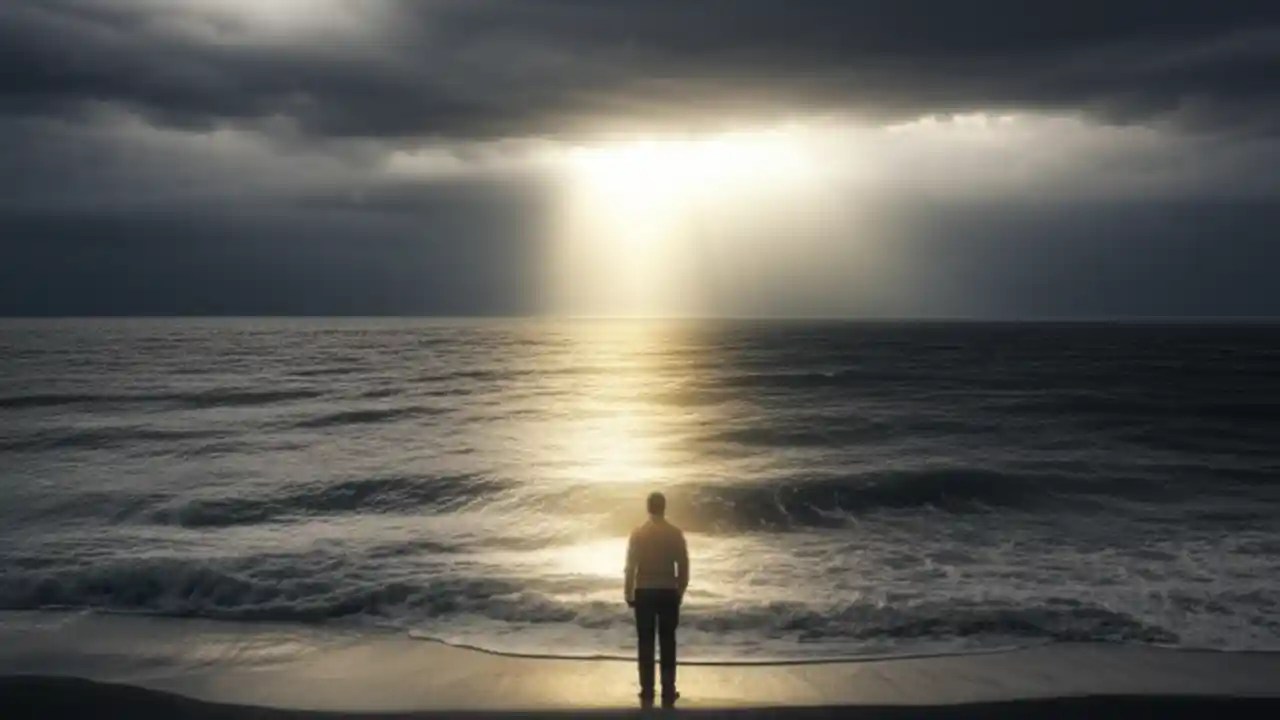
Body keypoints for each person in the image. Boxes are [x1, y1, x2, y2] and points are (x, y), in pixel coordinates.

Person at [624, 491, 689, 705]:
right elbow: (683, 565)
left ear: (648, 507)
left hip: (644, 590)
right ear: (664, 507)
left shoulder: (638, 533)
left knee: (645, 642)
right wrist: (680, 590)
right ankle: (668, 689)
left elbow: (631, 566)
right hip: (668, 590)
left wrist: (628, 592)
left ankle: (647, 689)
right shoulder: (675, 533)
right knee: (668, 641)